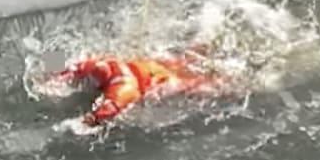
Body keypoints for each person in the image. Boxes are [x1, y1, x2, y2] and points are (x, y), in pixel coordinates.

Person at [51, 52, 224, 126]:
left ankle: (230, 81)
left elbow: (112, 108)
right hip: (149, 66)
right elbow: (73, 68)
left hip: (160, 81)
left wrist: (88, 120)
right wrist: (52, 70)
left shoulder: (122, 87)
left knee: (205, 85)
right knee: (184, 59)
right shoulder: (101, 63)